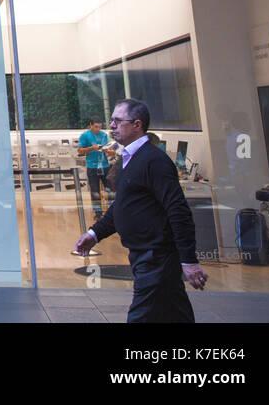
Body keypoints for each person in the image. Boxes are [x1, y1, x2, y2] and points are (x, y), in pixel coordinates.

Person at [74, 98, 206, 322]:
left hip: (156, 257)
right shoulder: (129, 159)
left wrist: (189, 260)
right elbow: (123, 207)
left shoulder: (154, 161)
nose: (112, 126)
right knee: (176, 312)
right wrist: (94, 233)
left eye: (118, 121)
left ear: (137, 124)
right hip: (144, 255)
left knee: (141, 315)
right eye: (111, 121)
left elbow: (178, 211)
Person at [77, 117, 112, 216]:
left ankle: (112, 211)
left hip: (105, 165)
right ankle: (98, 212)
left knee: (109, 188)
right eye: (96, 127)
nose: (98, 129)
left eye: (100, 127)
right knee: (95, 190)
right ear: (91, 125)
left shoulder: (104, 135)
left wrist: (107, 150)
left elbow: (111, 151)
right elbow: (80, 150)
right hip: (92, 166)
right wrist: (92, 148)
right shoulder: (85, 136)